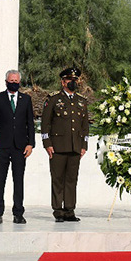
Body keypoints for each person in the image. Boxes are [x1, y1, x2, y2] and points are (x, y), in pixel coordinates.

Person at [41, 67, 90, 222]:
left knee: (71, 179)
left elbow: (85, 126)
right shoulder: (54, 99)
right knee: (57, 179)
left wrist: (84, 145)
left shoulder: (81, 101)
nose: (73, 82)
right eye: (70, 80)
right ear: (63, 82)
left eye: (75, 80)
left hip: (75, 146)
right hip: (57, 146)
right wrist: (47, 143)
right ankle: (58, 211)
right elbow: (45, 124)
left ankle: (69, 210)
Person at [0, 69, 35, 225]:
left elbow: (30, 124)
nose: (13, 83)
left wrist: (30, 144)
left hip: (20, 147)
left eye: (16, 81)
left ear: (19, 82)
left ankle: (18, 213)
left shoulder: (26, 99)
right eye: (11, 81)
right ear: (6, 81)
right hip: (1, 146)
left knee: (18, 180)